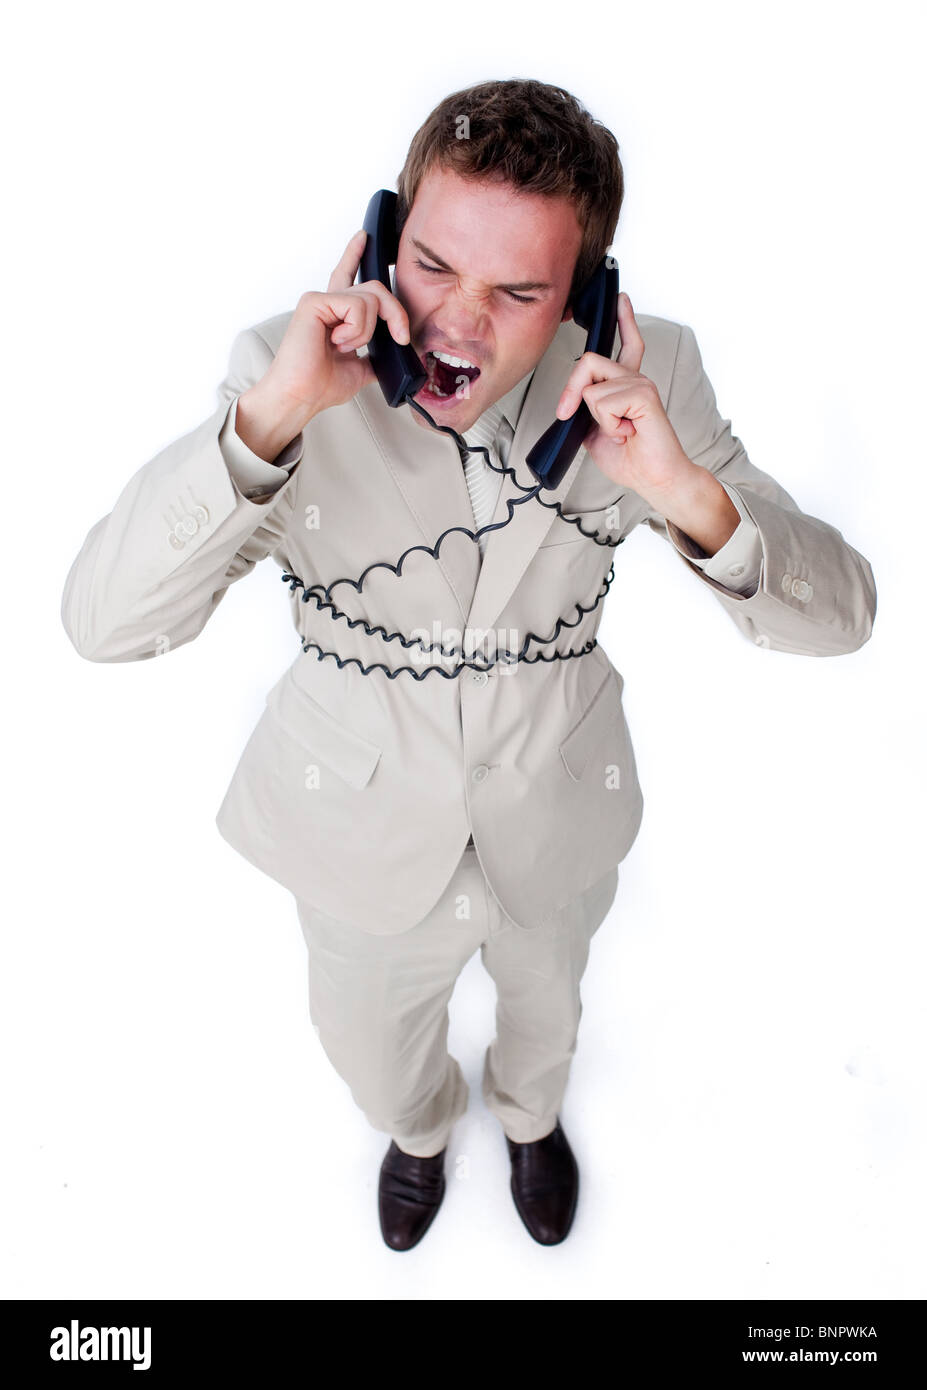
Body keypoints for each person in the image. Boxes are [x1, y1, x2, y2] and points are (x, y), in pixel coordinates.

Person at [60, 78, 877, 1252]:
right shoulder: (282, 368)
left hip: (556, 804)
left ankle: (530, 1114)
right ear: (387, 242)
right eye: (433, 265)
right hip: (356, 827)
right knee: (370, 1045)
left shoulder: (655, 380)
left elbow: (844, 618)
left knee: (549, 1011)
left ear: (587, 298)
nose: (457, 322)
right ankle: (423, 1129)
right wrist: (274, 417)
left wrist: (680, 491)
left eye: (520, 291)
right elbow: (101, 622)